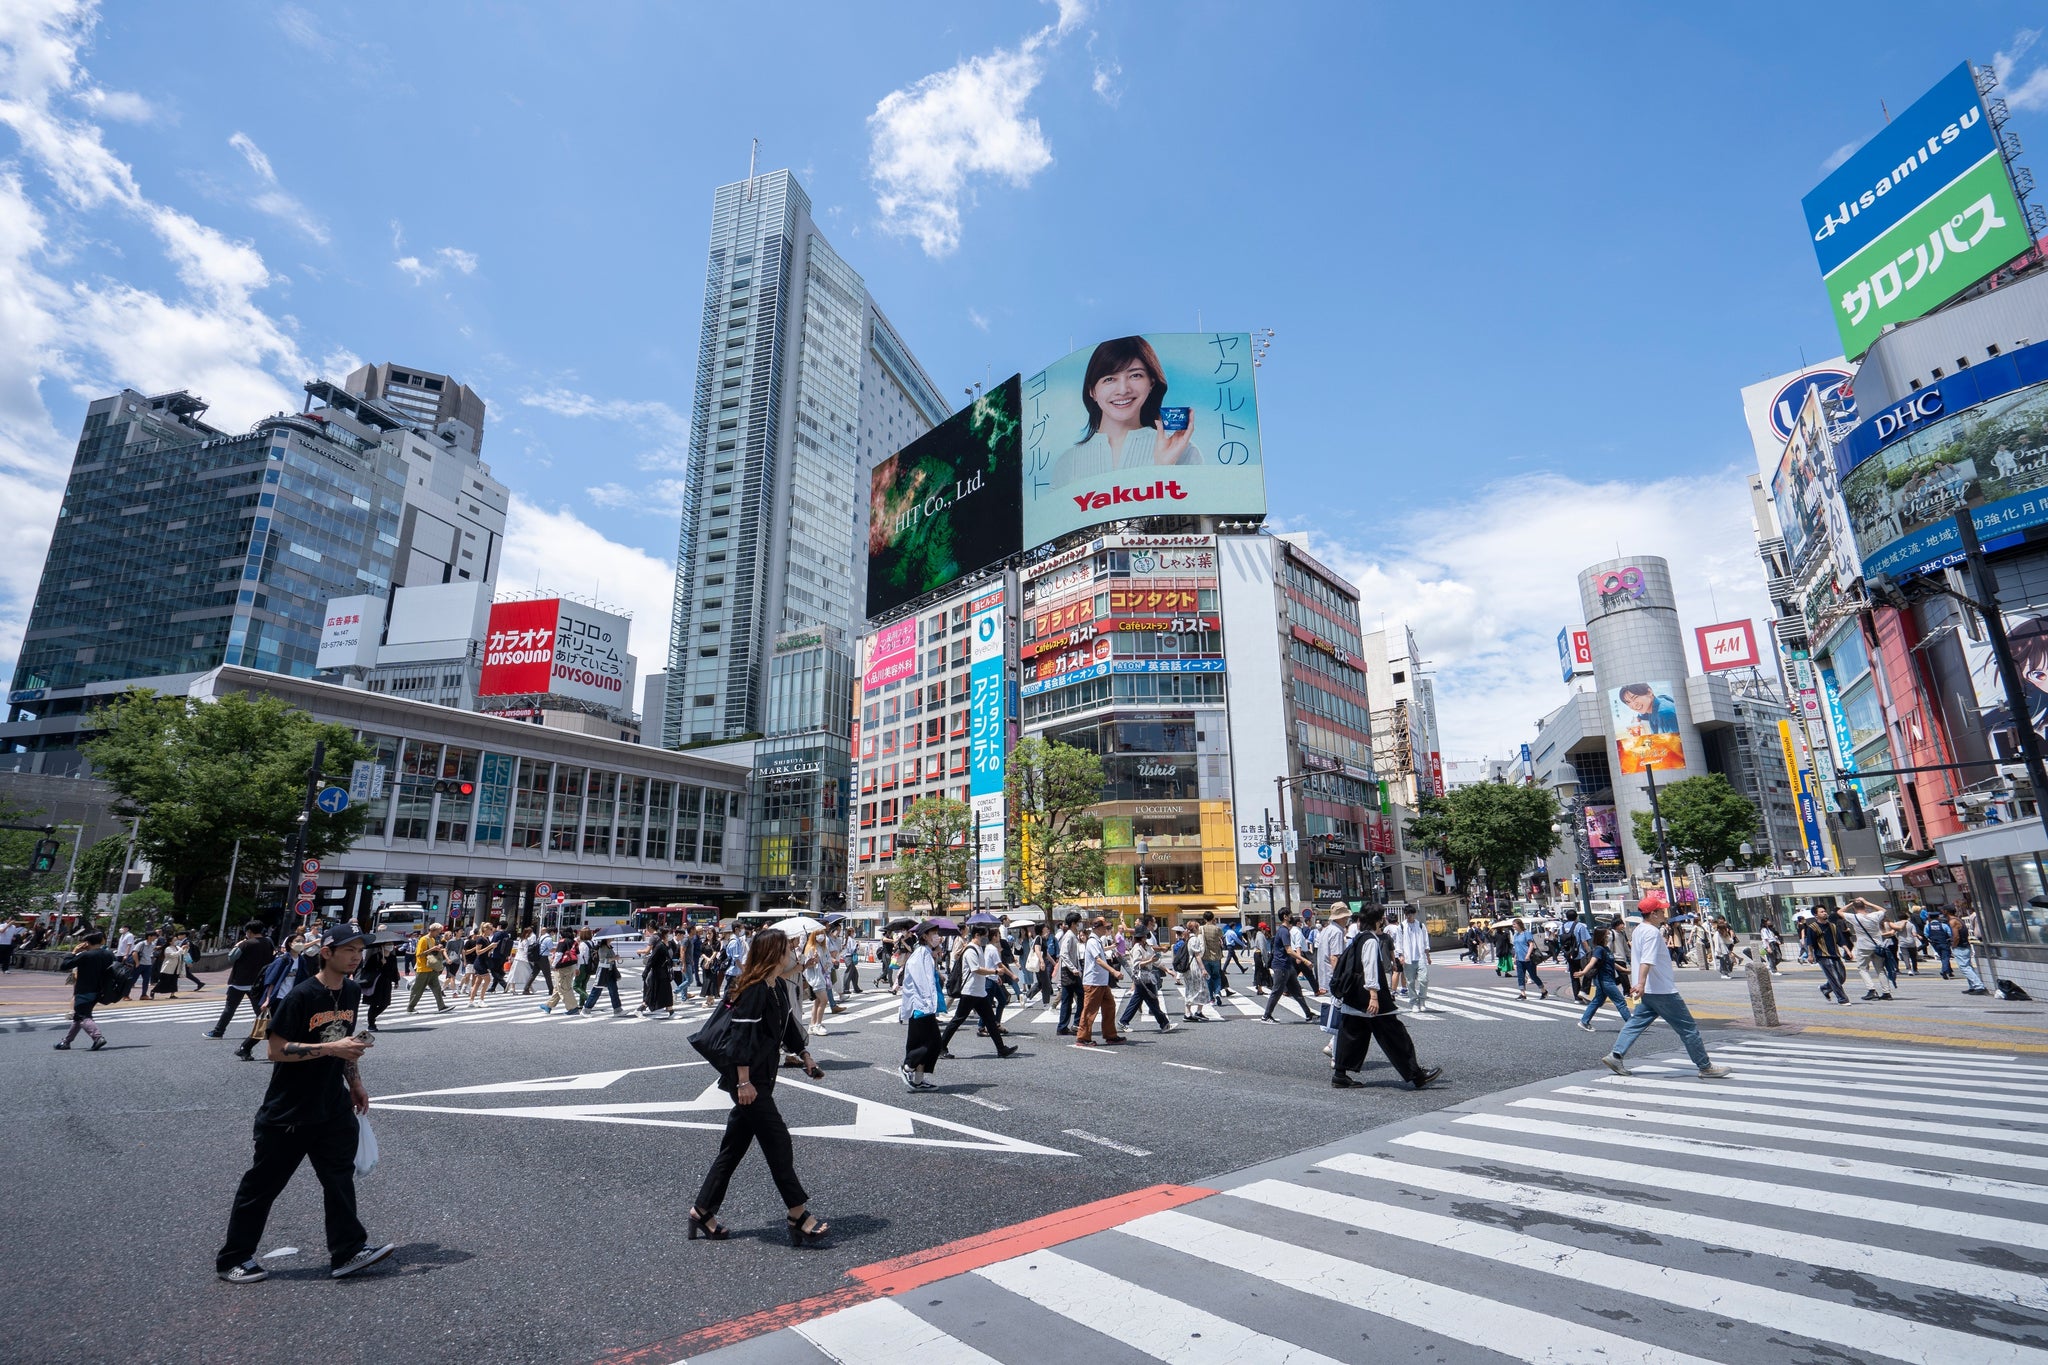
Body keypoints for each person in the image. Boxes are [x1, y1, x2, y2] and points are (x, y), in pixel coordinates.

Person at [214, 922, 396, 1284]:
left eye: (360, 951)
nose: (356, 958)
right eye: (349, 951)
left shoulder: (351, 992)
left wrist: (355, 1082)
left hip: (333, 1105)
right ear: (326, 952)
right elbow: (276, 1051)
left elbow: (346, 1042)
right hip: (289, 1111)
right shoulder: (301, 995)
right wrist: (332, 1049)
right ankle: (233, 1258)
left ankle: (346, 1251)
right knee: (262, 1186)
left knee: (339, 1180)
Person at [686, 928, 829, 1246]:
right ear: (772, 954)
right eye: (785, 949)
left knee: (733, 1148)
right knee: (778, 1142)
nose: (790, 954)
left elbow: (788, 1026)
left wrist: (805, 1054)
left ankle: (702, 1210)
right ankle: (798, 1214)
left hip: (762, 1076)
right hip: (751, 1082)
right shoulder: (752, 990)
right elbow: (740, 1039)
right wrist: (744, 1081)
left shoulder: (775, 985)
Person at [1046, 336, 1204, 489]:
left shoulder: (1183, 451)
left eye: (1135, 375)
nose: (1123, 390)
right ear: (1092, 391)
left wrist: (1163, 469)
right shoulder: (1067, 463)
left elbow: (1196, 513)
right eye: (1109, 379)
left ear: (1151, 383)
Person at [1601, 894, 1731, 1079]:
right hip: (1661, 990)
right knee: (1688, 1028)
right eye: (1661, 910)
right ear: (1652, 913)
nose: (1664, 912)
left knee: (1636, 1023)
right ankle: (1705, 1066)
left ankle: (1616, 1055)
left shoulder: (1638, 930)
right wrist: (1641, 983)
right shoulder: (1652, 932)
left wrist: (1640, 984)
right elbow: (1647, 960)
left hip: (1650, 992)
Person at [1329, 906, 1442, 1090]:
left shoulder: (1359, 936)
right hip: (1371, 998)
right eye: (1381, 918)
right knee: (1395, 1035)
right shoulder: (1371, 940)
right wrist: (1373, 995)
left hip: (1354, 996)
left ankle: (1340, 1074)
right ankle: (1416, 1075)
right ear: (1378, 920)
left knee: (1351, 1034)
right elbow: (1370, 967)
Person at [938, 924, 1020, 1058]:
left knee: (990, 1021)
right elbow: (975, 969)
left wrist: (992, 977)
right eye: (983, 937)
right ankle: (941, 1047)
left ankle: (1001, 1049)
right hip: (970, 991)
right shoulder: (970, 950)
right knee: (957, 1020)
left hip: (979, 991)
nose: (985, 939)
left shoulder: (977, 948)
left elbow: (981, 968)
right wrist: (994, 972)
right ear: (976, 935)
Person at [898, 921, 952, 1091]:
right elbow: (920, 981)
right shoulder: (921, 953)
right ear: (924, 936)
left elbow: (929, 977)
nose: (937, 936)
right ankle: (908, 1066)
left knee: (922, 1042)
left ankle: (918, 1080)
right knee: (934, 1042)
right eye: (933, 933)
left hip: (924, 1004)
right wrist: (928, 1002)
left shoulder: (926, 953)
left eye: (937, 933)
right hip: (921, 1004)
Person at [207, 923, 277, 1039]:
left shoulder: (245, 944)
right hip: (258, 982)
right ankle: (270, 1031)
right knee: (259, 1008)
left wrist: (237, 945)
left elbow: (231, 958)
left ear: (249, 931)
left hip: (240, 981)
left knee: (230, 1008)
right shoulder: (268, 943)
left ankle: (218, 1032)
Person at [54, 929, 114, 1051]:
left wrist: (74, 952)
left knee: (82, 1015)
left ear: (87, 943)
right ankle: (66, 1042)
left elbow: (65, 965)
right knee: (79, 1016)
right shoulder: (109, 954)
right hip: (101, 990)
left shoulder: (86, 955)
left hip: (85, 989)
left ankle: (97, 1037)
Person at [1073, 916, 1124, 1046]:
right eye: (1105, 927)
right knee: (1090, 1011)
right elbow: (1098, 960)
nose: (1107, 929)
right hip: (1093, 982)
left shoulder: (1097, 940)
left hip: (1101, 981)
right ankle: (1082, 1038)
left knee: (1109, 1006)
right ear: (1099, 928)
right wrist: (1113, 971)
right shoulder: (1092, 941)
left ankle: (1110, 1035)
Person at [1118, 927, 1177, 1033]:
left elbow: (1156, 962)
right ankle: (1164, 1024)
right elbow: (1136, 964)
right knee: (1152, 1001)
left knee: (1137, 1001)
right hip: (1141, 978)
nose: (1146, 937)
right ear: (1141, 938)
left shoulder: (1147, 947)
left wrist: (1168, 971)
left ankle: (1123, 1021)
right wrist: (1150, 960)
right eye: (1145, 936)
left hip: (1147, 977)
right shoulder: (1137, 948)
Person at [1573, 927, 1631, 1031]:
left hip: (1607, 979)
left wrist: (1624, 970)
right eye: (1608, 934)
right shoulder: (1599, 949)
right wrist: (1584, 972)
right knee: (1620, 1001)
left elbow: (1612, 963)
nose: (1610, 936)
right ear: (1602, 936)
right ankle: (1632, 1025)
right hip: (1604, 980)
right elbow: (1592, 962)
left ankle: (1584, 1021)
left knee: (1597, 1001)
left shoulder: (1606, 949)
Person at [1262, 910, 1313, 1022]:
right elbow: (1289, 950)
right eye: (1290, 915)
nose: (1292, 917)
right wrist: (1305, 960)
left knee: (1297, 991)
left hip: (1287, 965)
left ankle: (1309, 1014)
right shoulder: (1284, 931)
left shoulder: (1284, 930)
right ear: (1285, 917)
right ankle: (1266, 1016)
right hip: (1281, 965)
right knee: (1277, 991)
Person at [1842, 897, 1894, 1001]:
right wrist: (1867, 902)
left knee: (1863, 969)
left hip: (1864, 946)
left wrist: (1851, 904)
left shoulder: (1854, 917)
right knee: (1880, 970)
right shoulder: (1874, 915)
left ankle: (1871, 990)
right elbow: (1883, 910)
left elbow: (1840, 911)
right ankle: (1886, 992)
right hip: (1877, 945)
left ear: (1854, 908)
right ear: (1865, 906)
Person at [1803, 905, 1851, 1004]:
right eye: (1821, 912)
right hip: (1823, 956)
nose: (1825, 913)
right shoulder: (1812, 927)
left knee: (1841, 977)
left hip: (1835, 954)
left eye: (1825, 911)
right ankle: (1842, 999)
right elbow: (1810, 943)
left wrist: (1847, 950)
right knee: (1834, 978)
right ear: (1816, 915)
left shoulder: (1832, 926)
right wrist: (1810, 955)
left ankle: (1825, 988)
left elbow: (1840, 940)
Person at [1389, 905, 1431, 1011]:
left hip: (1420, 957)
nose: (1409, 916)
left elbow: (1426, 942)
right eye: (1407, 914)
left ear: (1414, 914)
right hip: (1408, 958)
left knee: (1424, 980)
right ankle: (1413, 1002)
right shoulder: (1401, 927)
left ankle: (1422, 1000)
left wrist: (1428, 956)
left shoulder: (1421, 926)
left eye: (1411, 914)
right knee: (1410, 981)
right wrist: (1400, 955)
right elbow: (1398, 943)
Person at [407, 926, 451, 1014]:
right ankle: (410, 1008)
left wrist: (438, 949)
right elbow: (419, 954)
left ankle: (441, 1006)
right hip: (423, 968)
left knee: (437, 988)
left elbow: (431, 953)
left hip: (431, 968)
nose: (439, 934)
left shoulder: (432, 940)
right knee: (418, 989)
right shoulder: (423, 939)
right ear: (432, 930)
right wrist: (433, 948)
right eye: (438, 932)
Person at [359, 939, 400, 1031]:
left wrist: (396, 981)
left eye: (391, 944)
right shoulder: (376, 957)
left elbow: (394, 970)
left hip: (386, 982)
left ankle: (372, 1017)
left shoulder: (392, 957)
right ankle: (371, 1024)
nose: (390, 946)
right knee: (374, 1003)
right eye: (388, 944)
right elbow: (368, 969)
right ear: (382, 946)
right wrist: (380, 964)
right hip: (376, 982)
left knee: (385, 1003)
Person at [1174, 924, 1211, 1022]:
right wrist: (1203, 969)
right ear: (1195, 928)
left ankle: (1187, 1013)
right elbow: (1197, 955)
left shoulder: (1188, 939)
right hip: (1194, 966)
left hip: (1187, 967)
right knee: (1202, 988)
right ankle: (1198, 1012)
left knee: (1190, 988)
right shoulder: (1194, 939)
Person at [1950, 909, 1989, 996]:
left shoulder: (1953, 922)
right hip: (1965, 946)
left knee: (1964, 967)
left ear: (1946, 912)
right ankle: (1972, 986)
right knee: (1968, 966)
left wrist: (1953, 945)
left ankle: (1979, 986)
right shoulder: (1959, 920)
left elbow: (1956, 936)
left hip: (1960, 947)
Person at [639, 930, 676, 1019]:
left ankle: (671, 1012)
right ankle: (639, 1009)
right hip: (658, 973)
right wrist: (645, 972)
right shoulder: (659, 946)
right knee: (653, 992)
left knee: (666, 992)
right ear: (664, 935)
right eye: (669, 934)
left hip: (664, 973)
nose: (671, 935)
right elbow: (651, 960)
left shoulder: (667, 945)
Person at [1511, 919, 1550, 1000]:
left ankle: (1543, 991)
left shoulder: (1526, 933)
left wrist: (1528, 955)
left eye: (1514, 924)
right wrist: (1515, 957)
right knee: (1520, 976)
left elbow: (1531, 944)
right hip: (1519, 959)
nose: (1513, 926)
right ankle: (1523, 994)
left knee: (1533, 976)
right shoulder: (1516, 935)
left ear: (1519, 924)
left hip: (1528, 959)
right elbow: (1516, 947)